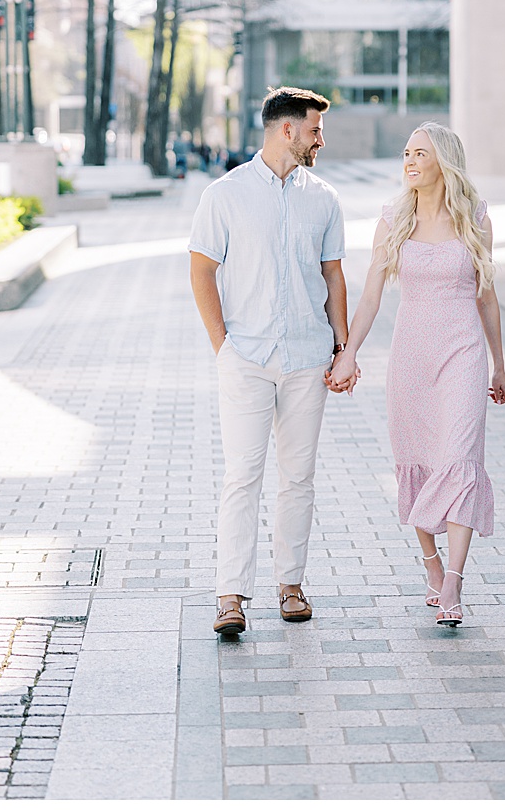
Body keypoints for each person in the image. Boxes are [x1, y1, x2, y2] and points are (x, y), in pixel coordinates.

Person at [328, 123, 505, 629]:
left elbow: (487, 296)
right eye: (406, 153)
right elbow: (370, 297)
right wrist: (348, 353)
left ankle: (453, 580)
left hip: (463, 354)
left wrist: (499, 364)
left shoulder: (474, 218)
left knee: (458, 459)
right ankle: (430, 563)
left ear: (443, 161)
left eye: (420, 153)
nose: (409, 161)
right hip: (410, 358)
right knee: (418, 461)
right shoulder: (393, 220)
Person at [188, 87, 350, 636]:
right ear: (287, 130)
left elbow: (333, 275)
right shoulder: (225, 194)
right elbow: (202, 270)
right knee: (242, 476)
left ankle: (291, 586)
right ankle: (230, 596)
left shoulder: (324, 198)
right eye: (314, 130)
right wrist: (223, 346)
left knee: (298, 477)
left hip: (307, 357)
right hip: (248, 358)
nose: (319, 140)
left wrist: (344, 347)